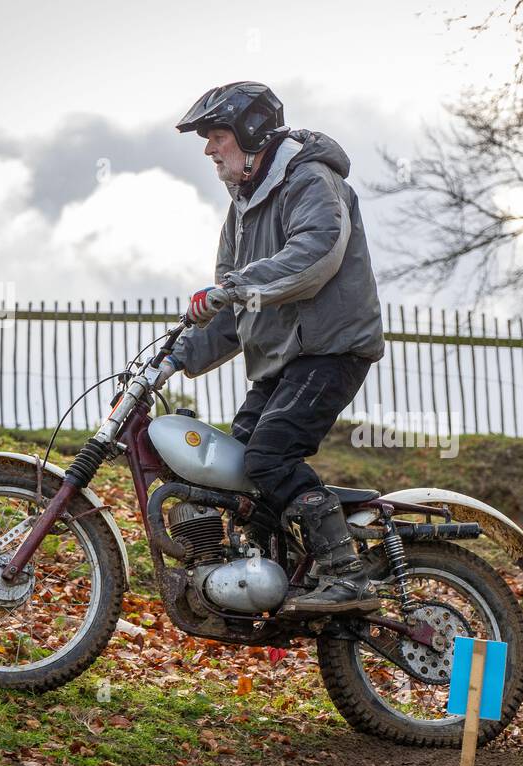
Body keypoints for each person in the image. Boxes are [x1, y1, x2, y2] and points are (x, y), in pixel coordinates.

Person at [152, 81, 385, 617]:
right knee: (238, 467)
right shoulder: (241, 209)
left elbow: (314, 255)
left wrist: (229, 289)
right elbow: (235, 311)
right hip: (284, 360)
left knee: (269, 455)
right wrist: (171, 360)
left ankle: (346, 573)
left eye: (217, 136)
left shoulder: (311, 180)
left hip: (330, 350)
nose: (209, 150)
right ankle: (276, 574)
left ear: (252, 132)